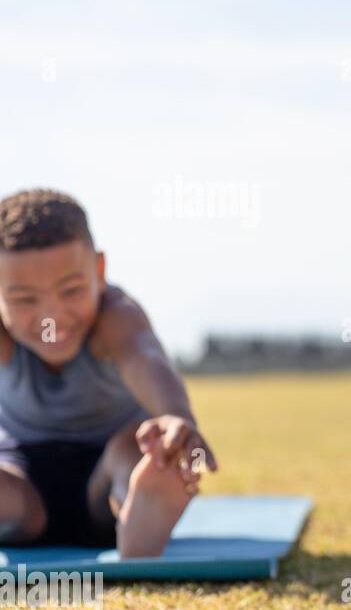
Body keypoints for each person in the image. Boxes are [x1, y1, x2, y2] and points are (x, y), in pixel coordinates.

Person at [0, 189, 217, 557]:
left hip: (107, 469)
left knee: (133, 449)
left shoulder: (117, 318)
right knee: (11, 496)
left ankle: (139, 505)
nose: (52, 317)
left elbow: (143, 357)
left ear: (99, 271)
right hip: (20, 471)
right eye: (24, 300)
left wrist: (174, 416)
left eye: (71, 290)